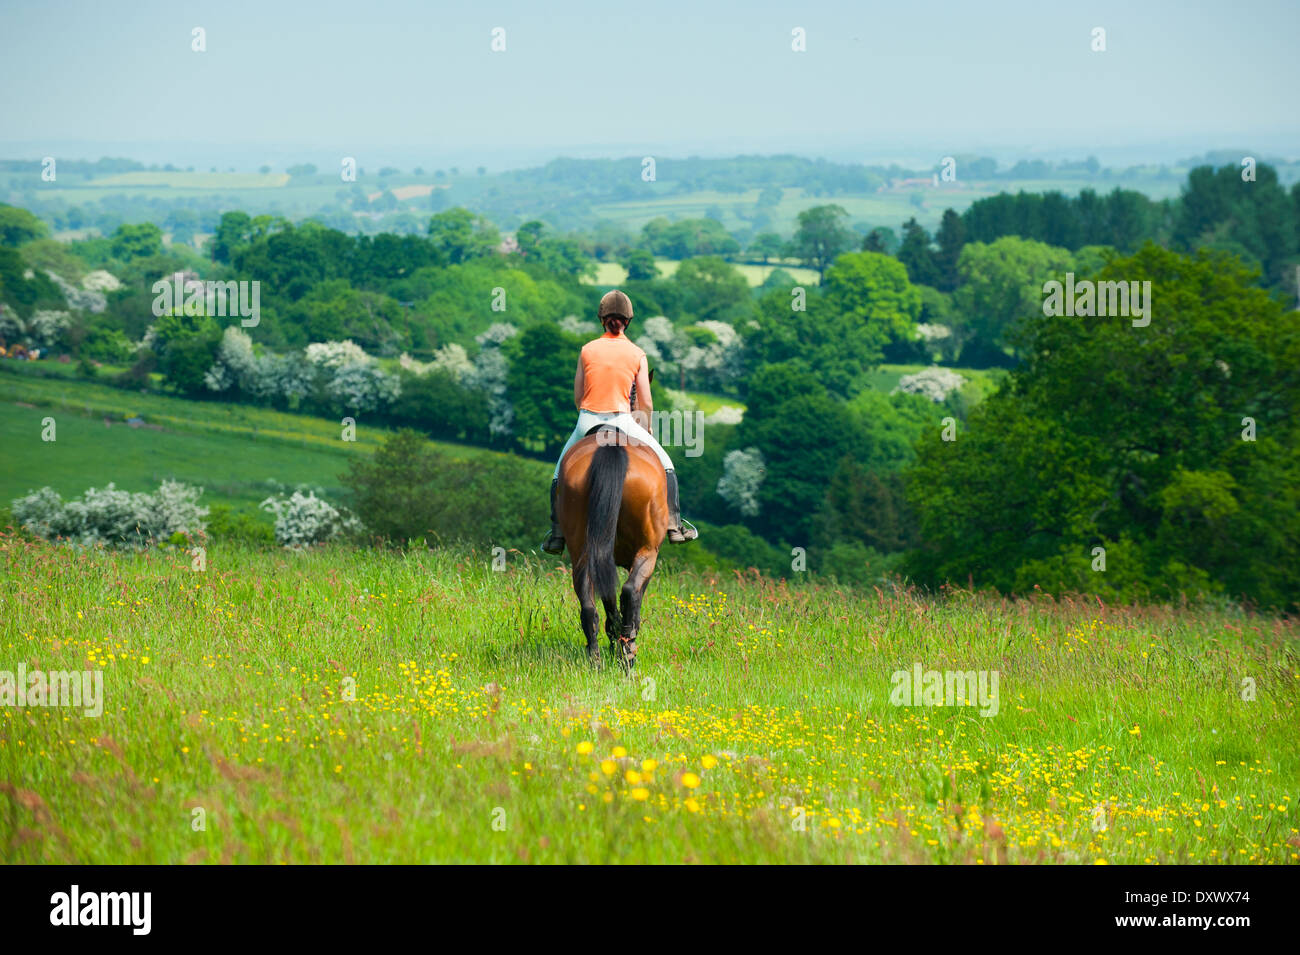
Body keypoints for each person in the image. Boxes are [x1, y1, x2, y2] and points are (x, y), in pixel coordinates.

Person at [542, 289, 697, 554]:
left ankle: (557, 533)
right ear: (628, 320)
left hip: (587, 421)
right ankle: (674, 526)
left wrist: (589, 413)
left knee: (560, 470)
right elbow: (645, 403)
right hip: (624, 420)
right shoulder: (637, 353)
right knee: (666, 465)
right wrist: (644, 425)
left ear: (602, 319)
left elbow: (578, 397)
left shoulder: (587, 350)